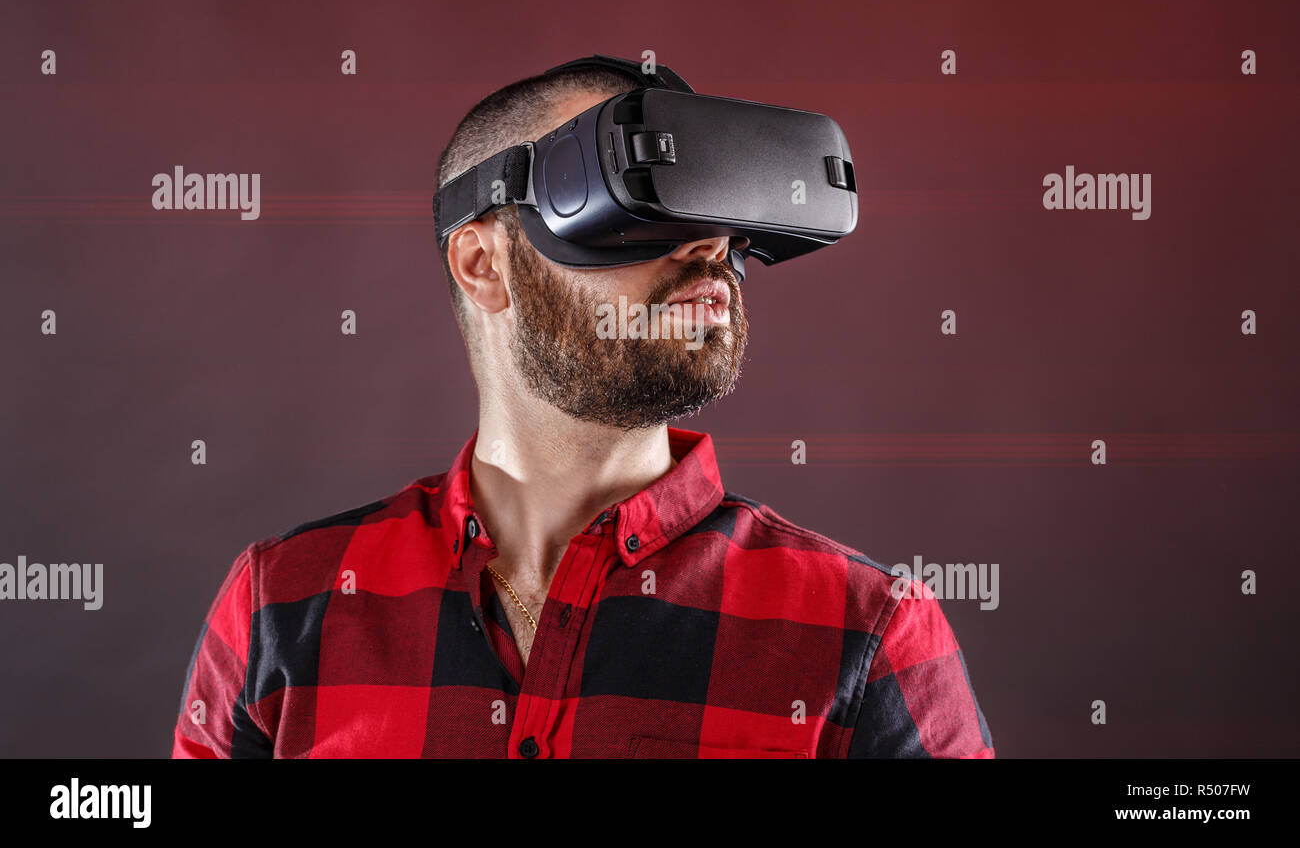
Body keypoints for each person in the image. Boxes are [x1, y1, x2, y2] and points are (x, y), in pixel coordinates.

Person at [172, 58, 994, 758]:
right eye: (639, 205)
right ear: (482, 262)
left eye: (717, 219)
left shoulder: (868, 631)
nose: (710, 249)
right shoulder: (281, 606)